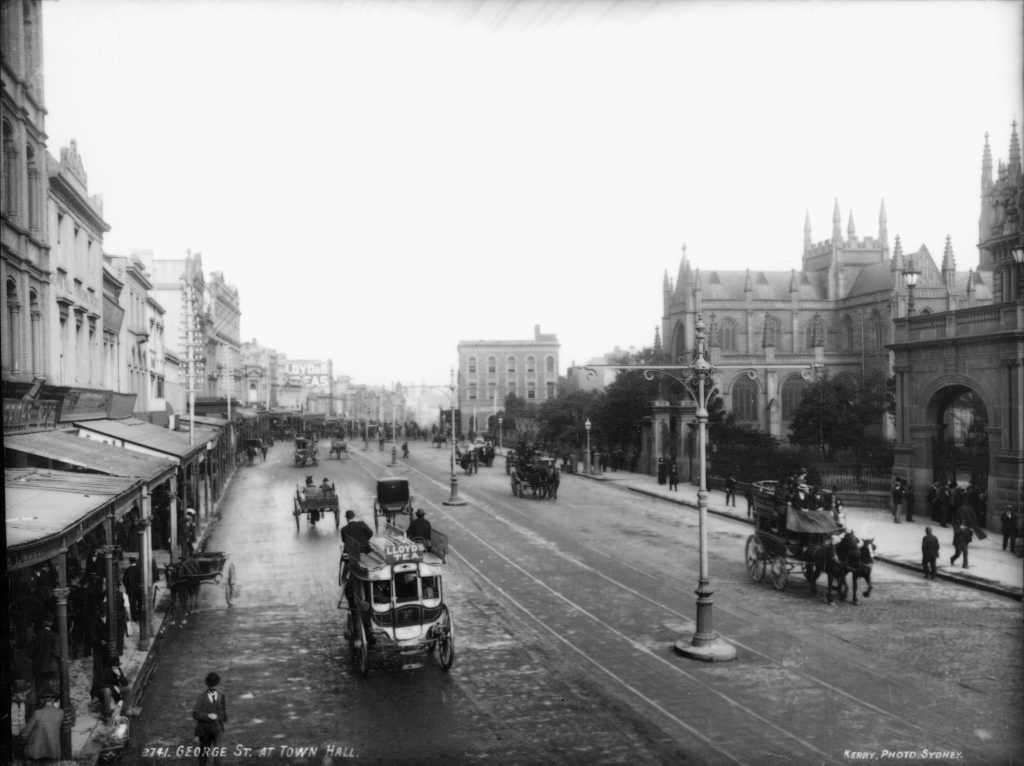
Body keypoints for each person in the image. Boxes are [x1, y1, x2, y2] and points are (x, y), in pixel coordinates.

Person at [19, 685, 62, 765]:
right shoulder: (60, 713)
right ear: (54, 700)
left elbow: (25, 733)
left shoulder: (37, 714)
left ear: (42, 700)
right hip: (53, 750)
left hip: (37, 751)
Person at [192, 672, 228, 766]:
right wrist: (208, 716)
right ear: (208, 685)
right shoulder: (201, 697)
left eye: (214, 685)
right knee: (204, 753)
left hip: (217, 729)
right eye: (211, 685)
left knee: (218, 754)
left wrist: (223, 722)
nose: (213, 687)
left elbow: (223, 709)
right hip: (205, 730)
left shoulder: (221, 695)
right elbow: (195, 714)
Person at [91, 655, 130, 722]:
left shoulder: (118, 670)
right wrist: (113, 687)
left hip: (114, 689)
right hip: (103, 690)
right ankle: (107, 714)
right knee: (107, 690)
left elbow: (125, 683)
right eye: (114, 666)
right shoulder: (105, 671)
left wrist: (120, 676)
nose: (116, 667)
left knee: (128, 689)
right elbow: (99, 684)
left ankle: (125, 709)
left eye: (117, 666)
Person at [30, 615, 60, 701]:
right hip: (51, 667)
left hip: (38, 667)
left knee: (40, 688)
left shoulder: (37, 636)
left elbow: (30, 653)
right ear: (52, 624)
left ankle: (40, 706)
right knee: (53, 688)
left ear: (43, 623)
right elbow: (56, 653)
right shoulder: (55, 636)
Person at [122, 557, 142, 624]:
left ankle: (135, 618)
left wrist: (128, 588)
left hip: (131, 589)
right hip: (139, 589)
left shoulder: (127, 570)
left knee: (132, 605)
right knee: (140, 603)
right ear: (135, 561)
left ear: (130, 561)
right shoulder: (140, 569)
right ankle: (140, 616)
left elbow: (124, 580)